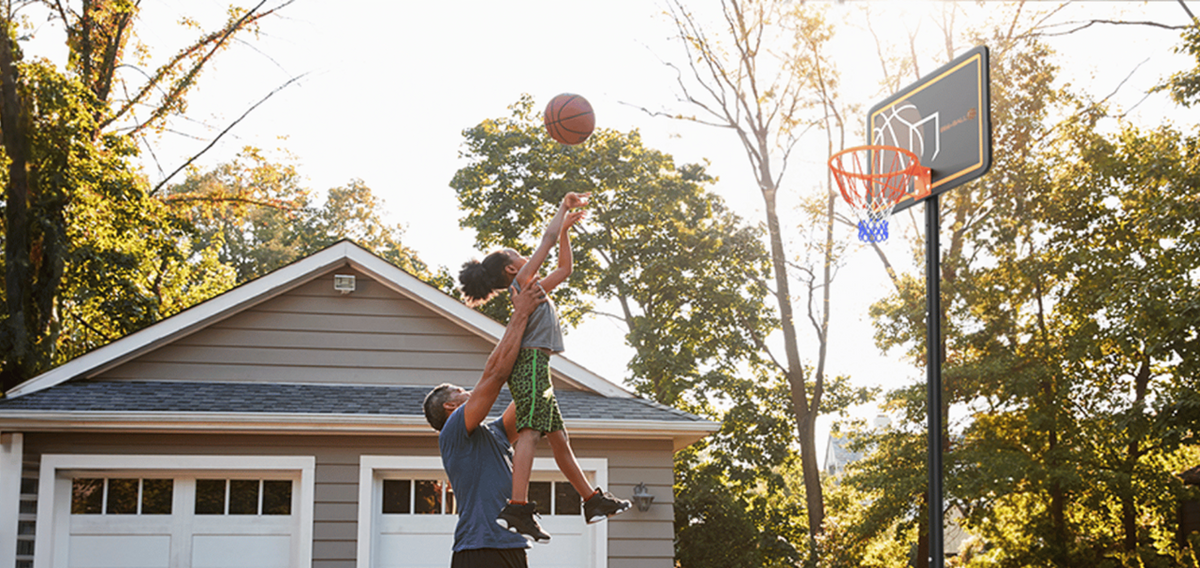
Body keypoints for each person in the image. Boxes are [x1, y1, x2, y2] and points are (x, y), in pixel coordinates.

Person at [457, 192, 630, 543]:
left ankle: (592, 501)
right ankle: (517, 505)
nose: (526, 256)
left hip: (540, 366)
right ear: (512, 268)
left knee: (560, 440)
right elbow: (546, 241)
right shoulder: (522, 283)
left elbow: (564, 269)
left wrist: (566, 230)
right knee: (531, 432)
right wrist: (562, 209)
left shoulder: (533, 289)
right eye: (519, 256)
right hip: (531, 363)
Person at [422, 280, 546, 567]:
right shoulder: (453, 431)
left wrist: (540, 328)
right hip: (478, 549)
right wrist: (520, 314)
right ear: (450, 406)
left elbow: (533, 396)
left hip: (512, 545)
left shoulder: (495, 434)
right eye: (461, 390)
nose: (470, 391)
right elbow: (495, 374)